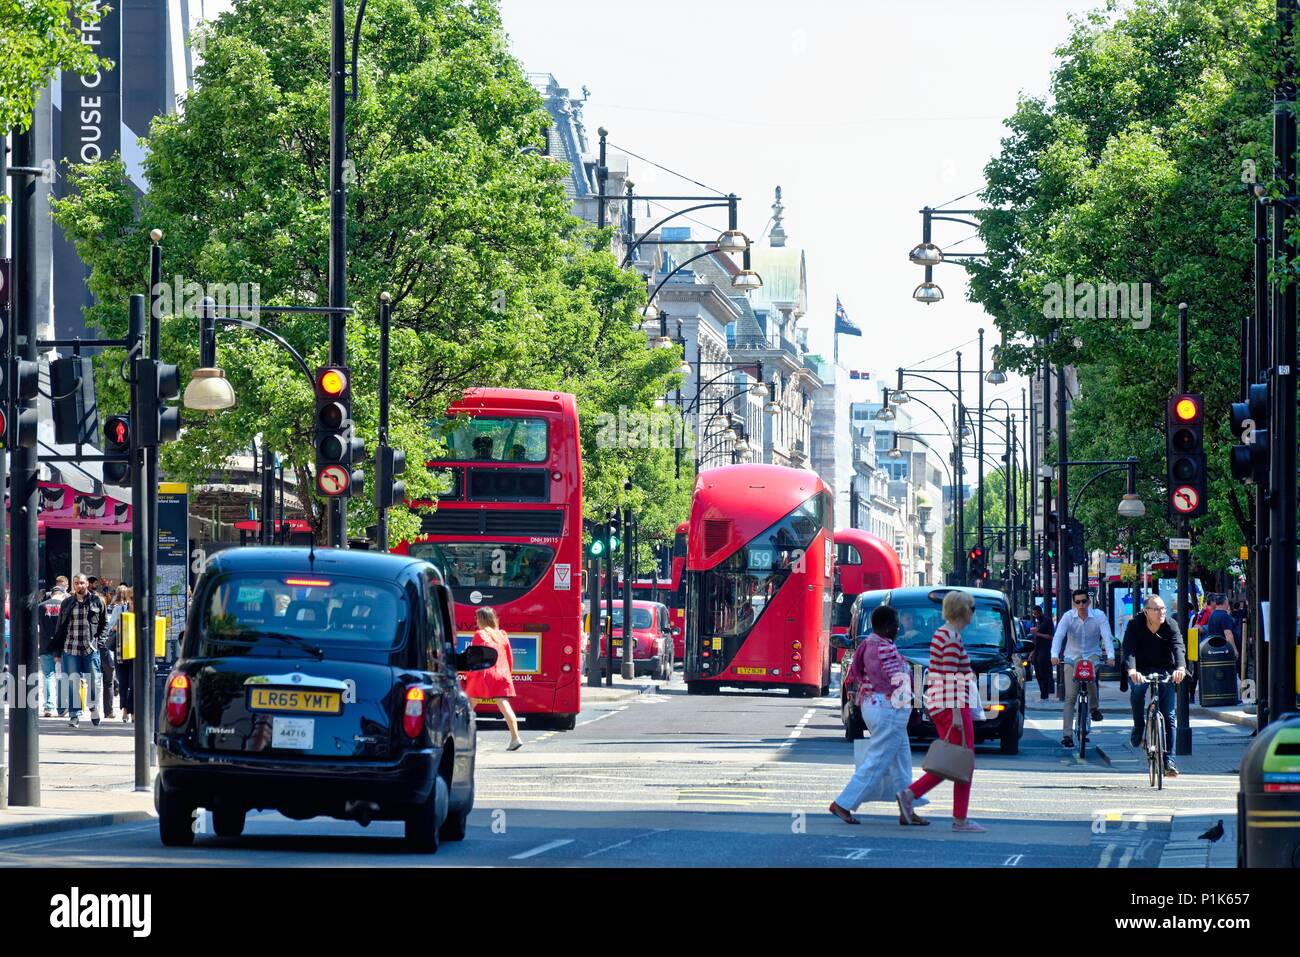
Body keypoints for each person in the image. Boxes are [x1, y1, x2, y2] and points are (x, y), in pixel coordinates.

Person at [897, 590, 986, 832]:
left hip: (942, 703)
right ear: (962, 611)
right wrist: (958, 711)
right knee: (963, 761)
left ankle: (914, 797)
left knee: (954, 761)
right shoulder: (950, 638)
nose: (973, 613)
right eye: (972, 608)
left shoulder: (944, 634)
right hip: (951, 704)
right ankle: (956, 817)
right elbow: (951, 677)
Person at [830, 605, 920, 825]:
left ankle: (907, 811)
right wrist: (914, 704)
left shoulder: (868, 644)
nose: (898, 627)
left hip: (874, 704)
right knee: (877, 760)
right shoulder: (885, 648)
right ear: (887, 626)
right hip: (888, 708)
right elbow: (895, 679)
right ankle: (843, 803)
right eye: (895, 623)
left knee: (901, 760)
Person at [1122, 594, 1187, 777]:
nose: (1161, 612)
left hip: (1165, 668)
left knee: (1169, 715)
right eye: (1156, 609)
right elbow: (1129, 650)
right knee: (1138, 690)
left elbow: (1178, 646)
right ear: (1146, 611)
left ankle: (1169, 762)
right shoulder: (1135, 624)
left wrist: (1180, 668)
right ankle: (1138, 726)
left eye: (1163, 608)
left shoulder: (1170, 624)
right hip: (1140, 669)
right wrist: (1132, 671)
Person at [1051, 588, 1115, 749]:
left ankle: (1094, 708)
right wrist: (1054, 655)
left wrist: (1111, 656)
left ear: (1089, 602)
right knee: (1070, 697)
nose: (1081, 605)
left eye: (1084, 601)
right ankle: (1067, 735)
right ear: (1074, 603)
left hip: (1092, 654)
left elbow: (1107, 636)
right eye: (1077, 602)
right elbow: (1059, 635)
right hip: (1072, 657)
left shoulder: (1099, 616)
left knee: (1091, 676)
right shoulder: (1068, 617)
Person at [460, 607, 523, 751]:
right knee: (505, 707)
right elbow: (509, 657)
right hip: (501, 674)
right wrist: (508, 674)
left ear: (482, 619)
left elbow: (475, 657)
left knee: (467, 707)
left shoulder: (480, 634)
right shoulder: (502, 634)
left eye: (477, 618)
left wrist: (467, 672)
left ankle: (460, 739)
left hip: (484, 675)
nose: (476, 621)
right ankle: (515, 738)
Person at [53, 574, 108, 728]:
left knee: (94, 681)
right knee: (72, 682)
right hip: (70, 647)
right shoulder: (67, 603)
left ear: (87, 584)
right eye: (76, 583)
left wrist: (99, 642)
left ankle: (93, 707)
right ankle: (74, 715)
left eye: (82, 583)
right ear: (73, 585)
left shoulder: (97, 601)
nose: (79, 586)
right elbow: (59, 627)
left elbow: (105, 624)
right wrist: (57, 652)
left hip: (90, 647)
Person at [37, 582, 69, 718]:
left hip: (45, 645)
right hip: (61, 646)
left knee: (48, 675)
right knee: (61, 676)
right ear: (62, 594)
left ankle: (48, 706)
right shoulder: (65, 605)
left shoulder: (41, 606)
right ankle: (61, 708)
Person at [113, 587, 135, 723]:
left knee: (133, 684)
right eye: (131, 598)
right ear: (127, 598)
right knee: (123, 683)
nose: (133, 601)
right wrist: (118, 626)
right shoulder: (119, 610)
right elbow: (111, 627)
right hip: (121, 651)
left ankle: (132, 711)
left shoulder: (144, 612)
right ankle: (125, 709)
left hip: (136, 653)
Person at [1032, 604, 1055, 701]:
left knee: (1044, 673)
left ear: (1040, 612)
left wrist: (1037, 633)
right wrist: (1032, 653)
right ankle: (1043, 693)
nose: (1035, 616)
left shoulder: (1047, 621)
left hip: (1045, 650)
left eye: (1036, 614)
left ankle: (1045, 694)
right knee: (1038, 673)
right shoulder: (1039, 622)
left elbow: (1051, 636)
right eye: (1034, 614)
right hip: (1037, 650)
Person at [1204, 594, 1238, 659]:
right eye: (1227, 601)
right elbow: (1228, 634)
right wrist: (1234, 650)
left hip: (1214, 649)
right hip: (1224, 650)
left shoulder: (1212, 614)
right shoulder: (1225, 616)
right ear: (1225, 602)